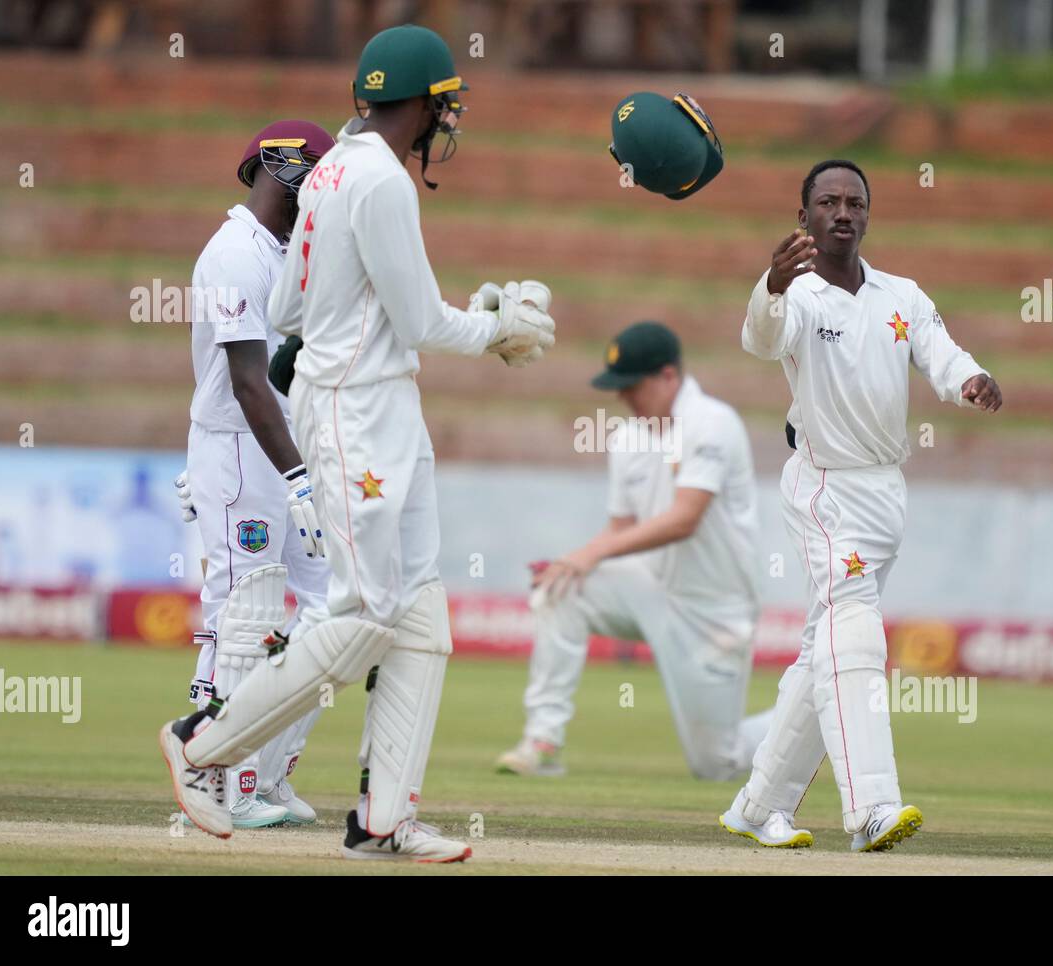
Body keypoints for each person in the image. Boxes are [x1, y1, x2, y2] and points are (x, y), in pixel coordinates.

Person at [159, 24, 555, 863]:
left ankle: (383, 821)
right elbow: (418, 320)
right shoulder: (377, 179)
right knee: (368, 613)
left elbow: (289, 315)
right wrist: (497, 329)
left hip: (378, 405)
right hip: (356, 414)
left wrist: (467, 322)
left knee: (421, 618)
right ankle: (202, 745)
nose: (448, 120)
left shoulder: (335, 164)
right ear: (420, 102)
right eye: (445, 103)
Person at [721, 159, 1002, 852]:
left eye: (854, 202)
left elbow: (940, 350)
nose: (842, 212)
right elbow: (758, 339)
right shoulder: (800, 297)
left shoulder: (899, 294)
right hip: (825, 487)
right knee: (856, 634)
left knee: (826, 651)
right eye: (827, 202)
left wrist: (971, 379)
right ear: (804, 217)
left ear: (868, 215)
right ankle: (872, 807)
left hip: (884, 492)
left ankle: (758, 806)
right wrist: (772, 282)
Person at [497, 321, 772, 781]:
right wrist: (574, 559)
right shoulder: (627, 437)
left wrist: (590, 555)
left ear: (667, 376)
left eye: (632, 387)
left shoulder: (712, 423)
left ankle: (813, 713)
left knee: (716, 764)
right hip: (652, 587)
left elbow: (685, 519)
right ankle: (543, 741)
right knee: (560, 589)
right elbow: (620, 530)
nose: (624, 399)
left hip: (714, 610)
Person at [176, 119, 335, 828]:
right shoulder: (233, 255)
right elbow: (247, 383)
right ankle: (209, 774)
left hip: (280, 450)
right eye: (323, 182)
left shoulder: (288, 252)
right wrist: (299, 477)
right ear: (289, 171)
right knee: (241, 613)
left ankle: (264, 774)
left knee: (336, 609)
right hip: (243, 451)